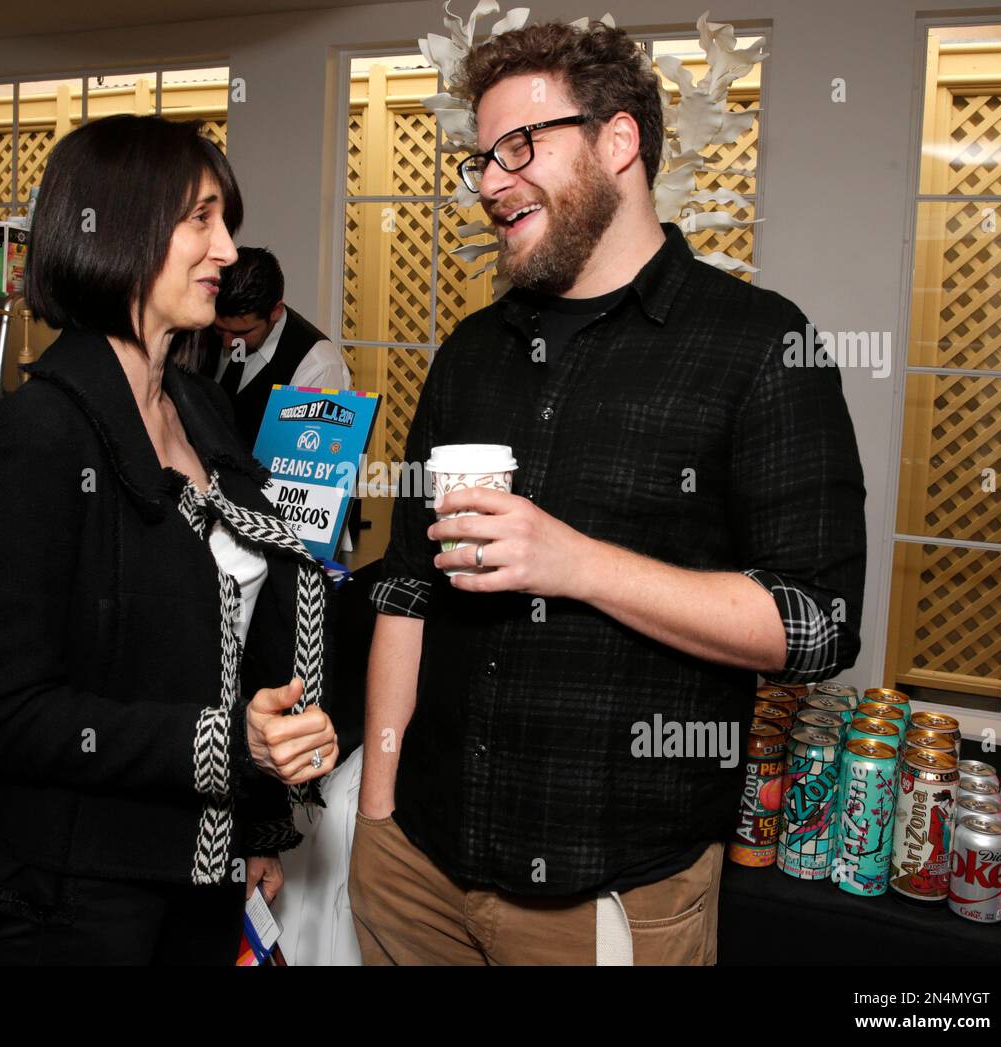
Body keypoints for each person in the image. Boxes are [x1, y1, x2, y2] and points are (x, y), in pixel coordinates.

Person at [349, 21, 866, 965]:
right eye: (481, 161)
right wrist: (376, 812)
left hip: (611, 896)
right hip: (415, 869)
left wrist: (576, 563)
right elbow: (406, 588)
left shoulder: (758, 346)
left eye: (520, 148)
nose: (492, 182)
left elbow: (819, 623)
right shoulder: (470, 353)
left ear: (618, 141)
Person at [0, 115, 340, 966]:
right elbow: (5, 713)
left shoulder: (198, 410)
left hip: (200, 870)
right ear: (120, 231)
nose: (228, 250)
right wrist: (222, 741)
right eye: (200, 219)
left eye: (224, 220)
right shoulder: (37, 435)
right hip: (78, 892)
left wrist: (254, 827)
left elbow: (235, 641)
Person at [210, 246, 351, 445]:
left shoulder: (318, 366)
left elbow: (304, 461)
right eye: (219, 329)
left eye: (241, 333)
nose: (227, 342)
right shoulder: (202, 328)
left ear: (275, 311)